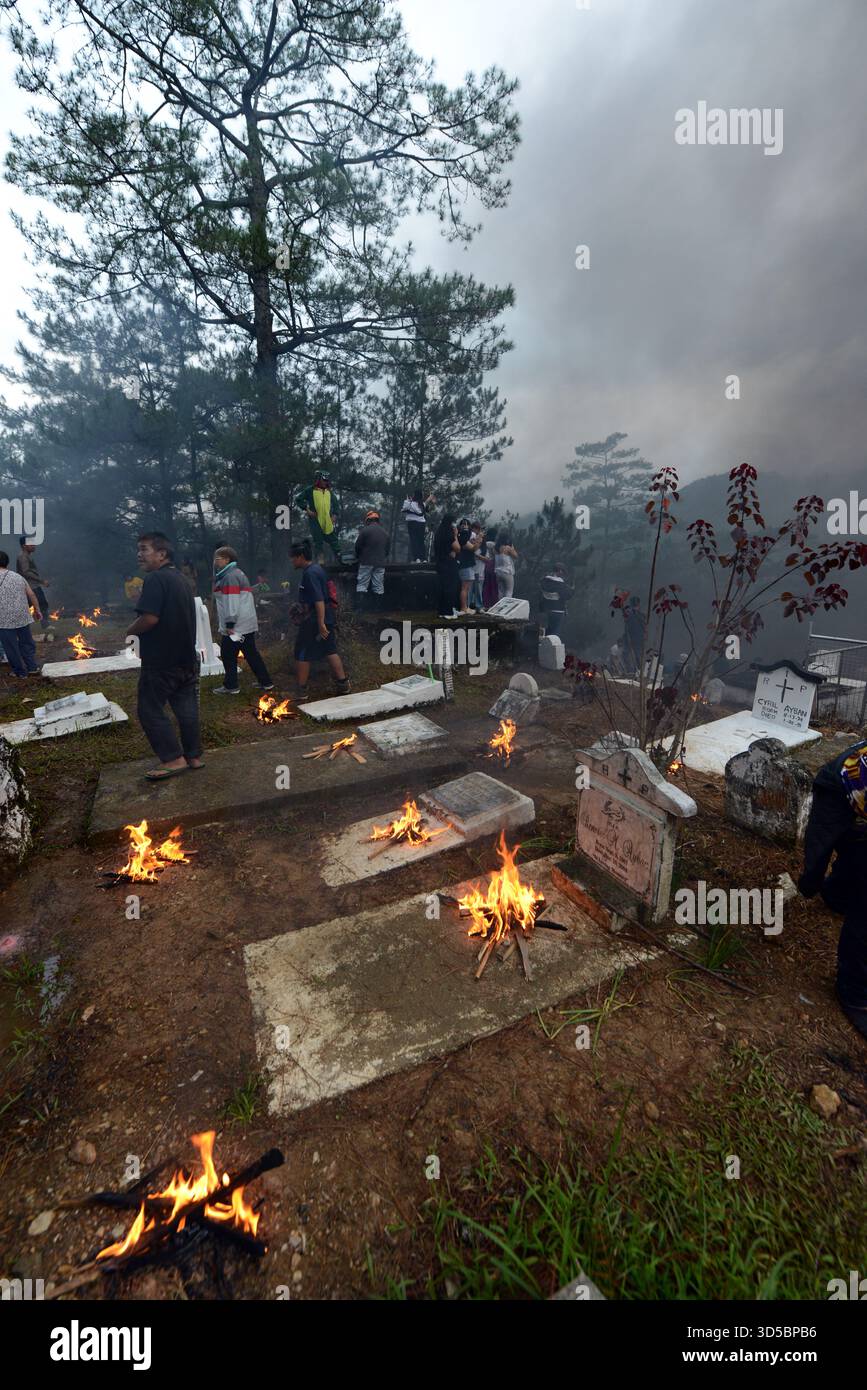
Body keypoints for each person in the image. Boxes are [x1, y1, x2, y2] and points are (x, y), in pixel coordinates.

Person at [798, 738, 867, 1040]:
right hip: (839, 784)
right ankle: (854, 992)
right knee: (816, 865)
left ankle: (838, 893)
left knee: (858, 860)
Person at [127, 532, 203, 782]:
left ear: (162, 554)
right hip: (187, 659)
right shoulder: (181, 579)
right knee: (187, 709)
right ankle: (193, 756)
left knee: (149, 709)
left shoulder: (155, 579)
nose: (139, 554)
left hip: (162, 661)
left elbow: (150, 618)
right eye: (138, 549)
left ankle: (173, 758)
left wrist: (129, 631)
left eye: (144, 549)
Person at [290, 540, 350, 702]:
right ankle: (343, 684)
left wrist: (321, 623)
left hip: (314, 621)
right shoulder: (317, 569)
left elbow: (318, 600)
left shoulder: (310, 573)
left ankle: (301, 691)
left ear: (301, 556)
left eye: (293, 558)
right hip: (325, 618)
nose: (292, 561)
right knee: (330, 650)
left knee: (302, 653)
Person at [210, 546, 275, 696]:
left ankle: (231, 686)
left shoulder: (229, 577)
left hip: (236, 626)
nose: (215, 562)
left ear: (227, 559)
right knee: (250, 652)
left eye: (217, 559)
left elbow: (231, 601)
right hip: (245, 623)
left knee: (227, 653)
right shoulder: (236, 573)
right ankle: (266, 682)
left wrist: (230, 624)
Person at [0, 551, 42, 677]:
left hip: (4, 619)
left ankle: (20, 672)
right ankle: (32, 667)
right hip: (22, 616)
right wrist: (37, 610)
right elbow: (31, 594)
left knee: (11, 647)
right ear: (7, 562)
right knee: (26, 642)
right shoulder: (18, 577)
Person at [296, 470, 341, 564]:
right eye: (324, 479)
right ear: (319, 479)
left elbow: (336, 504)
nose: (326, 482)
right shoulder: (310, 490)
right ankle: (321, 562)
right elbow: (298, 499)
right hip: (315, 521)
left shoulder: (329, 492)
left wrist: (335, 515)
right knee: (318, 542)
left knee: (334, 541)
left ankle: (341, 559)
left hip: (327, 521)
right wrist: (307, 510)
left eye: (327, 480)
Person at [355, 510, 390, 609]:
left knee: (362, 585)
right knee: (378, 586)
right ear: (378, 520)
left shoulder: (365, 531)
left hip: (366, 562)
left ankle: (360, 609)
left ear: (368, 520)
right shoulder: (385, 533)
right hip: (380, 563)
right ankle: (377, 609)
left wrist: (359, 557)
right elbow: (387, 550)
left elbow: (357, 546)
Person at [16, 538, 49, 631]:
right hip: (31, 586)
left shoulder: (27, 556)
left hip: (31, 585)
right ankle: (45, 625)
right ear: (24, 546)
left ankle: (18, 625)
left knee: (27, 606)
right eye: (31, 545)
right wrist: (41, 581)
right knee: (42, 604)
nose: (34, 546)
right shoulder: (22, 557)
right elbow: (26, 572)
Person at [433, 514, 461, 619]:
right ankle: (448, 611)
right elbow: (457, 548)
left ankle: (441, 611)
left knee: (442, 587)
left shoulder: (439, 532)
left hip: (440, 563)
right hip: (449, 564)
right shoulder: (448, 534)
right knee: (450, 588)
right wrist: (455, 535)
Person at [539, 563, 573, 637]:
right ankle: (550, 648)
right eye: (563, 572)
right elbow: (567, 596)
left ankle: (543, 647)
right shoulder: (560, 584)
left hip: (545, 610)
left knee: (544, 632)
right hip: (557, 611)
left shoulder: (544, 581)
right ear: (560, 571)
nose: (564, 575)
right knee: (554, 634)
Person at [456, 517, 482, 614]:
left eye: (467, 524)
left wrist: (476, 541)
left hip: (467, 564)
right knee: (465, 587)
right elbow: (473, 549)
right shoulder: (462, 537)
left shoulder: (465, 536)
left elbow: (473, 546)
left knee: (466, 588)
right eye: (463, 524)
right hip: (465, 564)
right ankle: (463, 608)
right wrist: (479, 539)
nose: (465, 526)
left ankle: (465, 607)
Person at [402, 490, 435, 563]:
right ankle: (424, 558)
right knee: (421, 541)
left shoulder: (410, 503)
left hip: (412, 523)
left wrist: (407, 500)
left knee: (414, 541)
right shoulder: (422, 504)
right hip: (421, 524)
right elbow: (426, 505)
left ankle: (417, 558)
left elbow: (404, 508)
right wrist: (430, 498)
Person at [623, 596, 646, 675]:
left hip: (639, 640)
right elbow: (627, 628)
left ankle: (639, 672)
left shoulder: (641, 615)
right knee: (627, 655)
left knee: (638, 657)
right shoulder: (630, 615)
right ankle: (631, 671)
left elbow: (644, 626)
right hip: (631, 639)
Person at [494, 535, 518, 600]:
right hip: (507, 572)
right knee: (509, 591)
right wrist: (512, 547)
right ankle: (506, 606)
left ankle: (500, 606)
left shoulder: (496, 548)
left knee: (500, 591)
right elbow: (516, 556)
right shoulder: (507, 548)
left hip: (498, 572)